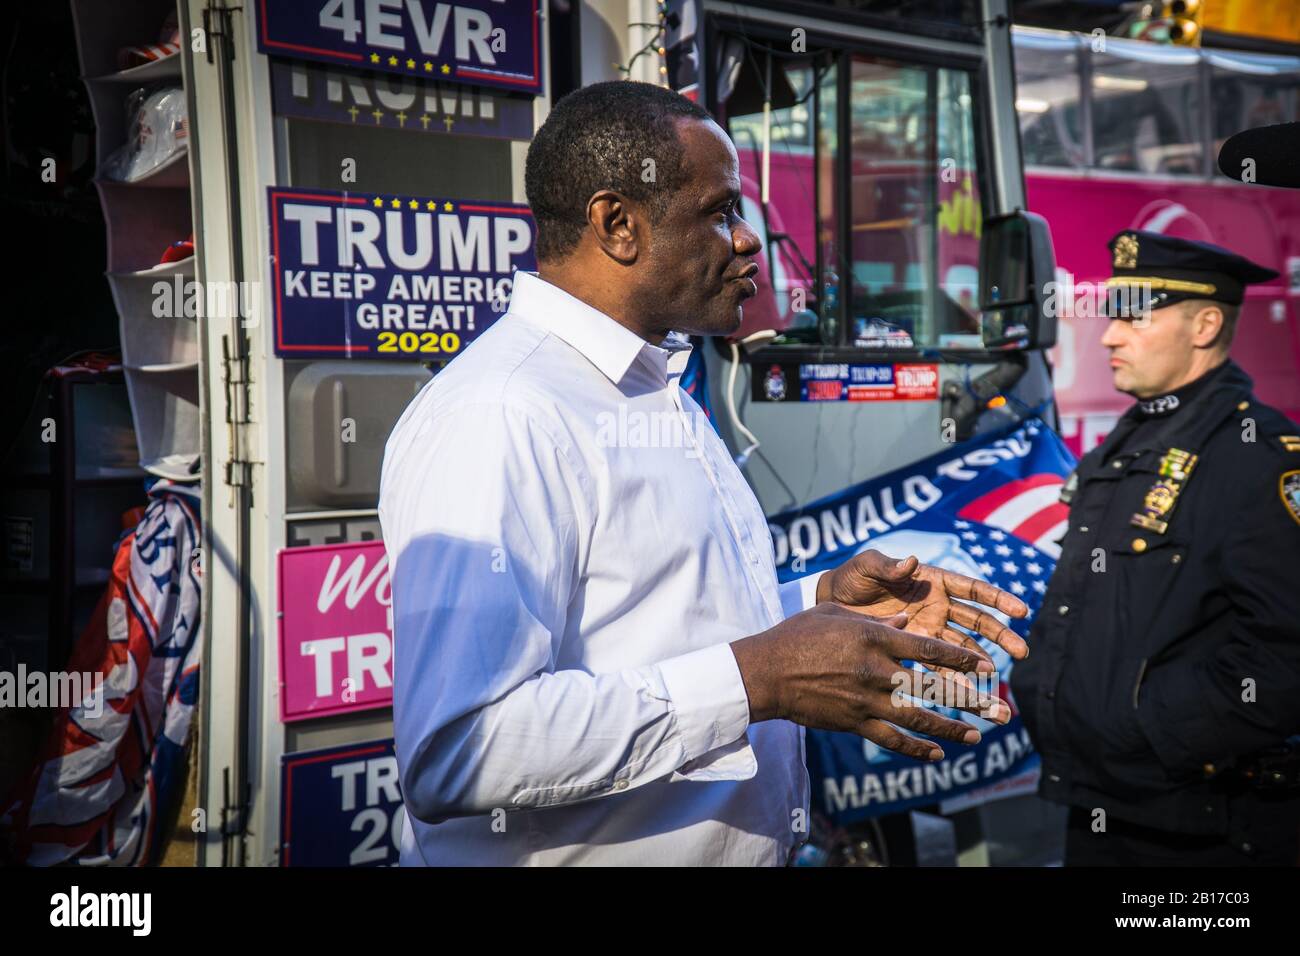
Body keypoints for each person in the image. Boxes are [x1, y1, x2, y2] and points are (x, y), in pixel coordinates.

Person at [378, 80, 1028, 866]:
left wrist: (820, 603)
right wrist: (758, 679)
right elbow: (461, 750)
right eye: (720, 211)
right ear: (618, 223)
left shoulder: (653, 386)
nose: (748, 239)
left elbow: (656, 624)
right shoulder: (501, 412)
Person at [1010, 229, 1300, 866]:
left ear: (1203, 325)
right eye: (1112, 315)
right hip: (1103, 801)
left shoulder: (1255, 456)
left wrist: (1151, 733)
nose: (1110, 336)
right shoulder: (1133, 440)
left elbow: (1285, 653)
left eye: (1135, 318)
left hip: (1199, 828)